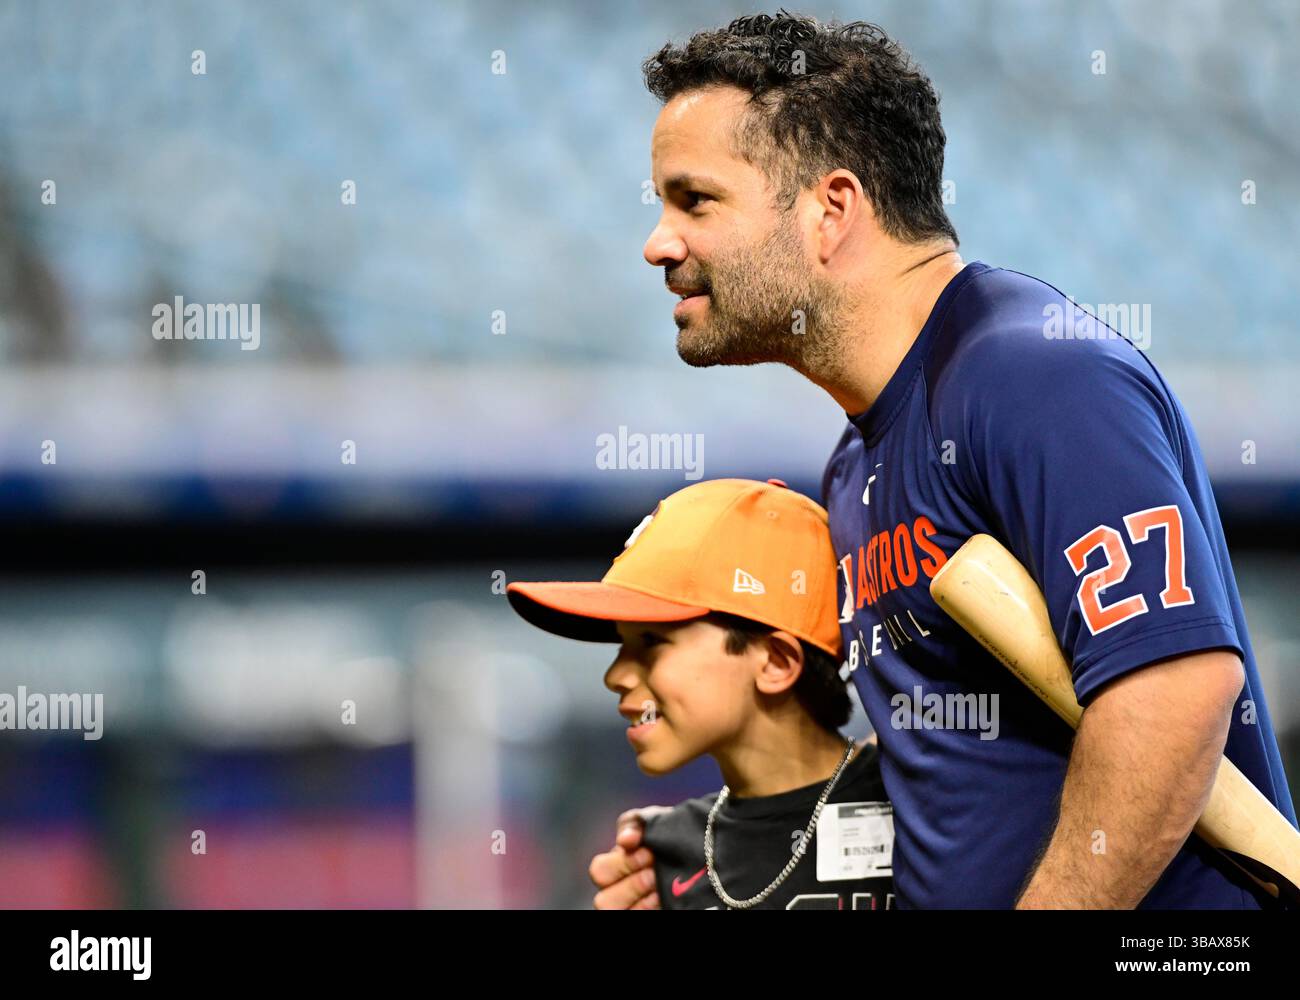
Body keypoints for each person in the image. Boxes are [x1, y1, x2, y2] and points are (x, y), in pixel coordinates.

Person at [589, 12, 1295, 909]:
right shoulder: (856, 460)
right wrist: (742, 859)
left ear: (831, 209)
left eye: (694, 200)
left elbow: (1173, 692)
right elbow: (955, 771)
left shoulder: (1034, 375)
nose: (659, 241)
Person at [507, 477, 894, 909]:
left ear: (775, 662)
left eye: (651, 641)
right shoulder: (656, 856)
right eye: (621, 644)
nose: (615, 675)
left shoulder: (919, 793)